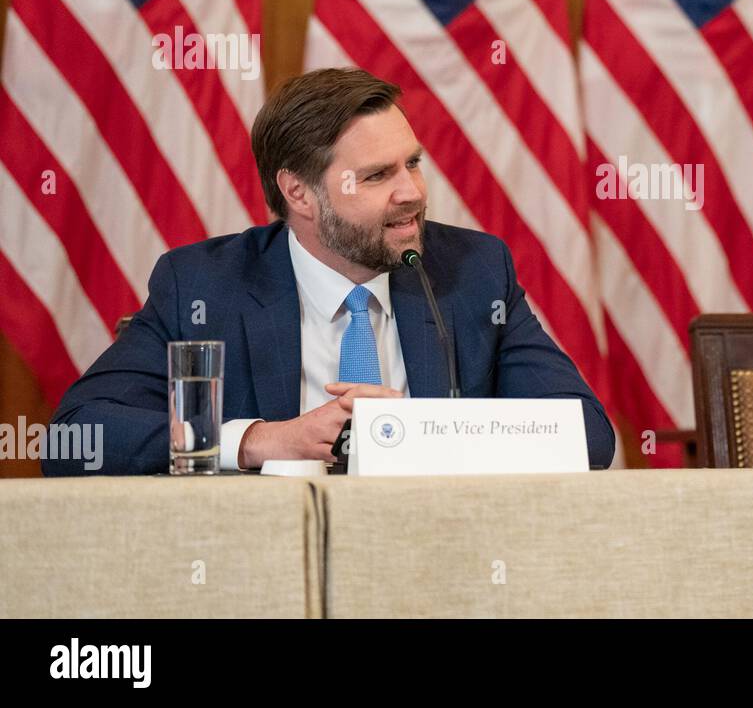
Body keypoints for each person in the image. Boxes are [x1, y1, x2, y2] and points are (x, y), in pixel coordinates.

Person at [44, 67, 616, 474]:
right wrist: (261, 441)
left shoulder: (473, 273)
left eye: (413, 165)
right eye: (376, 177)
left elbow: (588, 435)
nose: (412, 193)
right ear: (299, 192)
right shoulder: (202, 286)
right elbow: (76, 438)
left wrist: (422, 437)